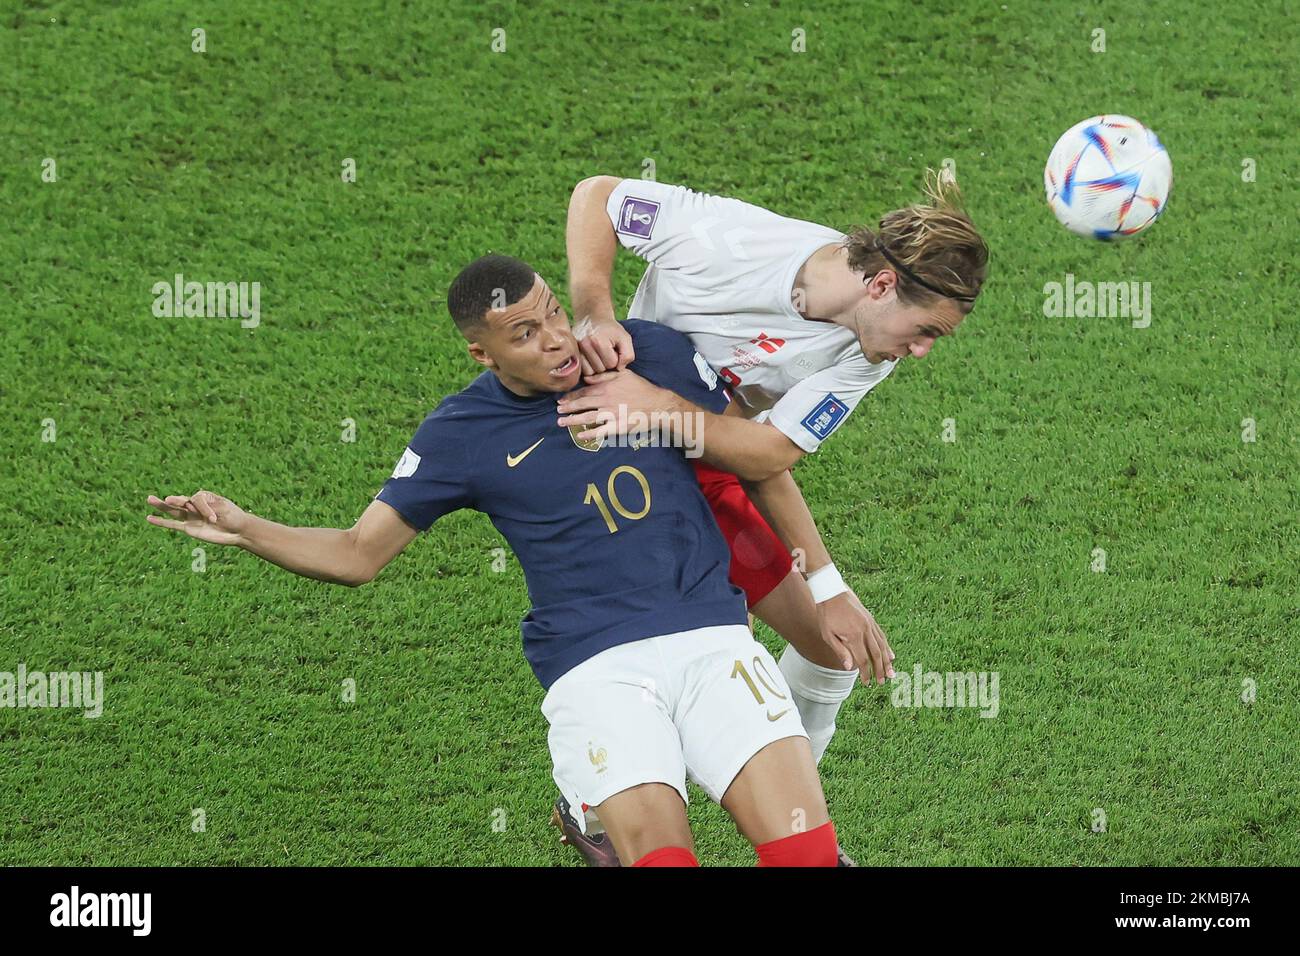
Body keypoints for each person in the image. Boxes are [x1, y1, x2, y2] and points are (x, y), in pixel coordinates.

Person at [145, 254, 838, 867]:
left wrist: (825, 585)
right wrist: (245, 527)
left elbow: (754, 462)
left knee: (807, 854)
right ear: (483, 355)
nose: (558, 339)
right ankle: (589, 803)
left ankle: (592, 805)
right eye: (525, 335)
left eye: (554, 314)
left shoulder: (646, 354)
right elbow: (358, 554)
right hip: (598, 671)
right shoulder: (462, 435)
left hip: (712, 639)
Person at [559, 171, 989, 787]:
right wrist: (594, 314)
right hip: (620, 462)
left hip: (711, 453)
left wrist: (828, 584)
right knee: (694, 660)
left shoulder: (867, 353)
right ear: (883, 284)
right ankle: (595, 811)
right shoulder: (727, 240)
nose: (921, 352)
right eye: (926, 332)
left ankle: (792, 821)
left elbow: (766, 454)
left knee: (832, 650)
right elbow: (597, 195)